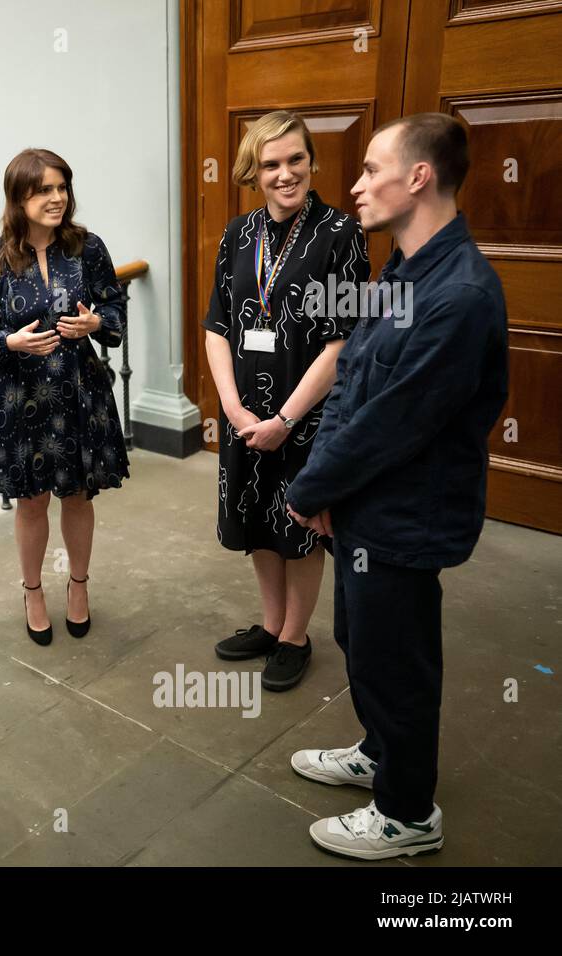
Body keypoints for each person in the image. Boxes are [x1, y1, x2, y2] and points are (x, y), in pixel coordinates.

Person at [285, 114, 508, 860]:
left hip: (406, 519)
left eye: (372, 167)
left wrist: (308, 488)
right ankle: (380, 752)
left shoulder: (462, 296)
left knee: (398, 662)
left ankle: (408, 814)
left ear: (419, 177)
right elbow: (354, 380)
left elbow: (393, 424)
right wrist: (330, 494)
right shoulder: (405, 270)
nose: (355, 184)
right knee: (361, 640)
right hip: (364, 509)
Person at [203, 111, 369, 691]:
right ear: (254, 170)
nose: (285, 173)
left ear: (311, 161)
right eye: (271, 163)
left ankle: (297, 636)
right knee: (255, 519)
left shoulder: (342, 235)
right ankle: (272, 626)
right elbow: (217, 327)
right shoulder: (237, 234)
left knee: (300, 527)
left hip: (306, 418)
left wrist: (284, 419)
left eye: (295, 159)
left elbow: (340, 342)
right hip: (245, 415)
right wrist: (234, 409)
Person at [0, 148, 129, 646]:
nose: (57, 198)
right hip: (21, 398)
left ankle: (78, 586)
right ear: (18, 198)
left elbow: (114, 308)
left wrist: (96, 323)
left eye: (62, 188)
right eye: (44, 190)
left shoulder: (90, 248)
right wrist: (9, 342)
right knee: (32, 501)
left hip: (81, 392)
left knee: (78, 495)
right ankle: (33, 591)